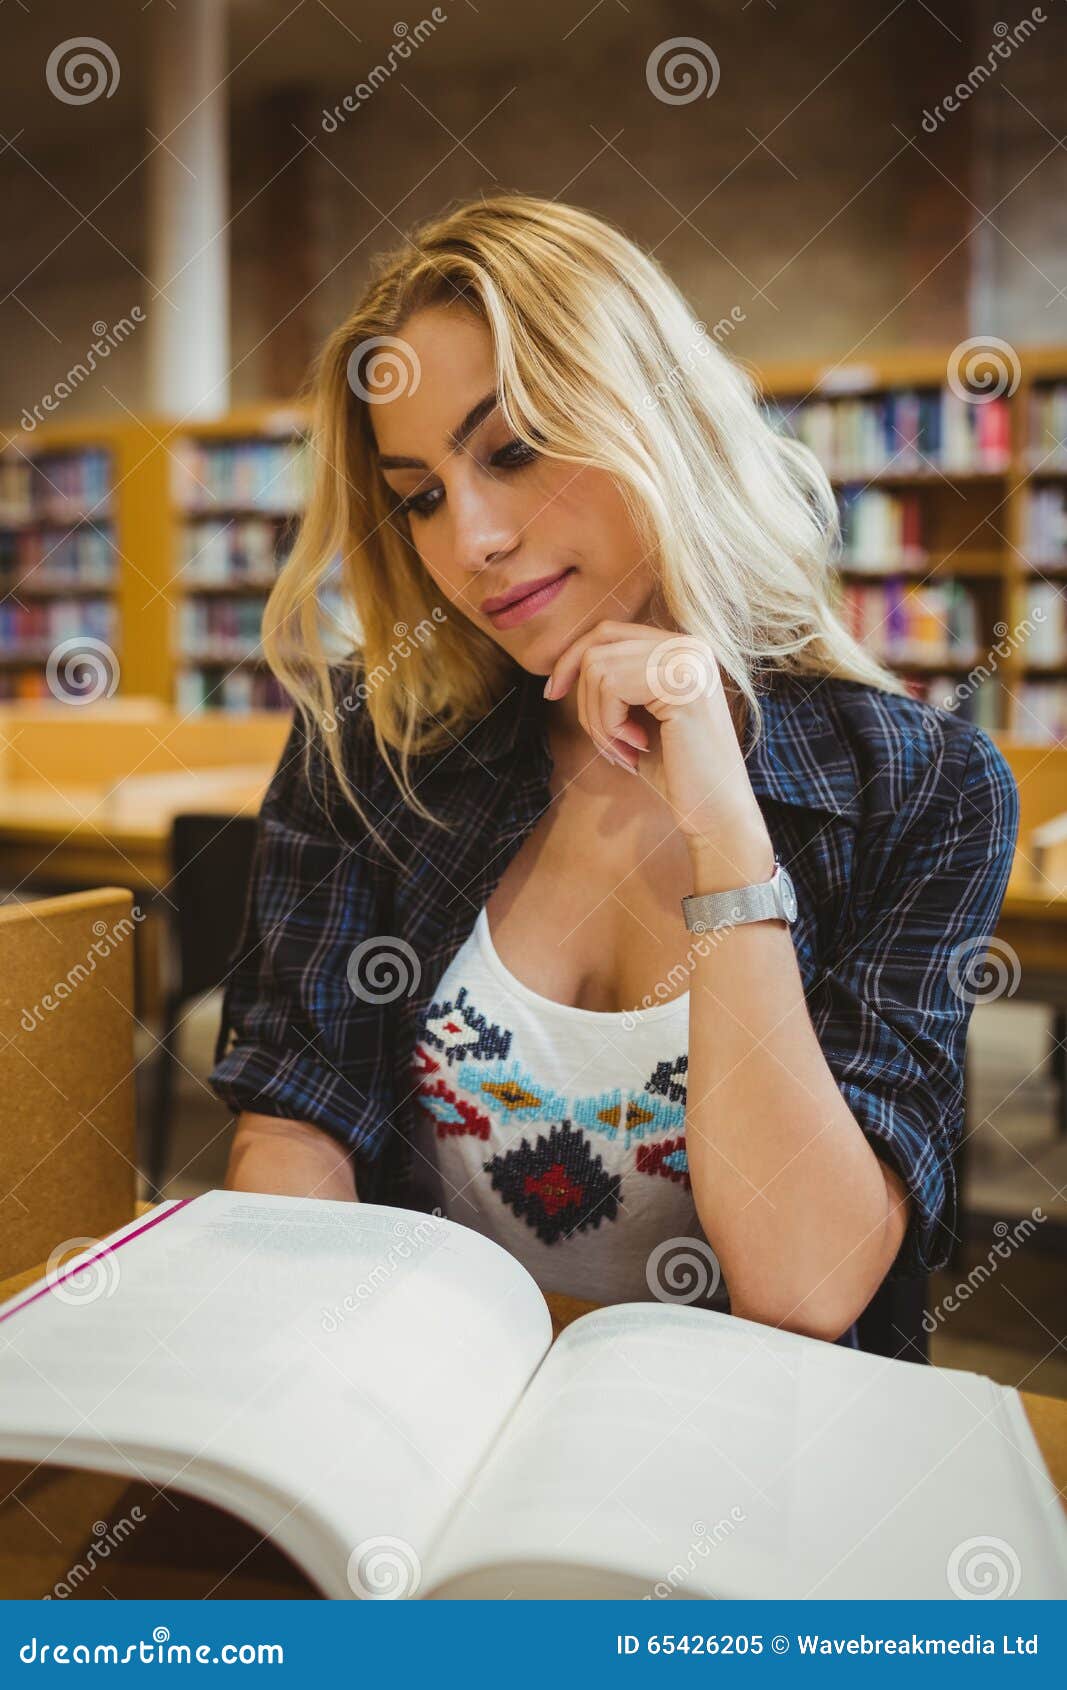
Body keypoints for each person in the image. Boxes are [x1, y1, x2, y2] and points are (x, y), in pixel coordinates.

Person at [210, 193, 1018, 1344]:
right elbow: (297, 1120)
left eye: (514, 450)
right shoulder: (367, 742)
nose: (471, 542)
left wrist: (725, 837)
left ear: (656, 418)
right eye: (420, 497)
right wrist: (321, 1363)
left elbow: (803, 1285)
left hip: (738, 1434)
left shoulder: (926, 788)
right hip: (421, 1396)